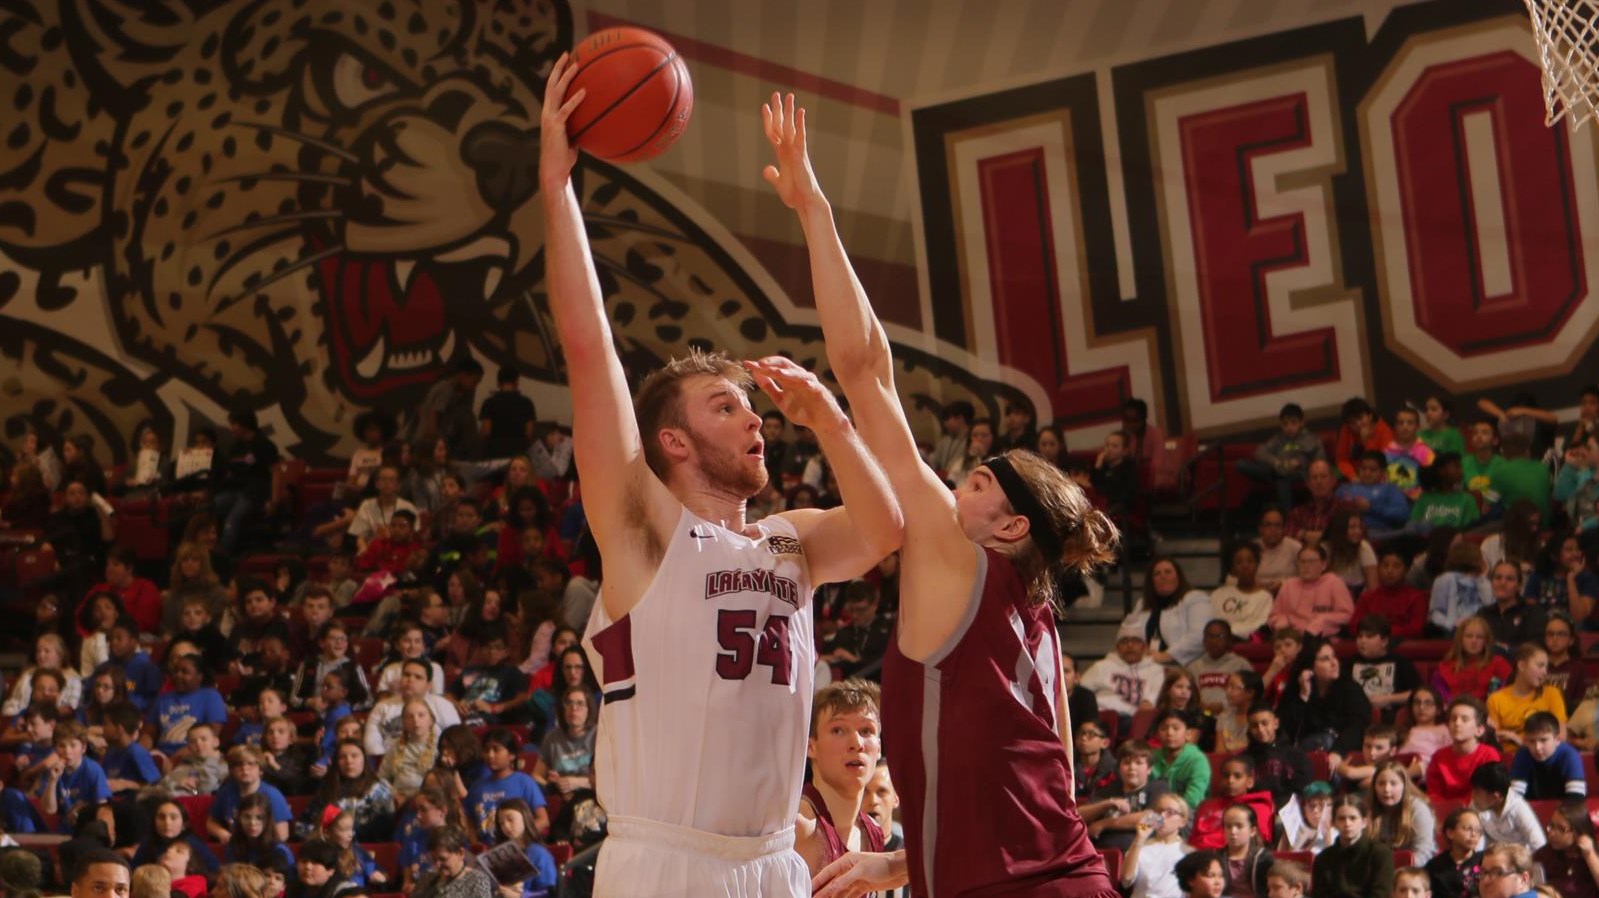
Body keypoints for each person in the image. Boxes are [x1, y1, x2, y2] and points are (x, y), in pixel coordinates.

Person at [543, 81, 904, 898]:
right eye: (725, 406)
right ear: (673, 440)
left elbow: (884, 529)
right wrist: (557, 186)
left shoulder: (790, 538)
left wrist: (831, 423)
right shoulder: (642, 529)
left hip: (775, 862)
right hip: (664, 861)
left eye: (751, 406)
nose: (755, 420)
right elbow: (586, 348)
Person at [757, 91, 1119, 898]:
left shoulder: (964, 557)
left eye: (980, 479)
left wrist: (813, 207)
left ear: (1010, 523)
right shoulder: (1041, 622)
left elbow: (864, 369)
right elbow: (1038, 787)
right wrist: (898, 863)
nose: (958, 482)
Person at [794, 680, 885, 879]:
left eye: (866, 731)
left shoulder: (873, 831)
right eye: (838, 730)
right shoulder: (797, 827)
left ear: (878, 748)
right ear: (810, 746)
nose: (856, 743)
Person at [1275, 637, 1371, 755]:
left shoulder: (1350, 688)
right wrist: (1303, 696)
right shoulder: (1297, 689)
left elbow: (1358, 727)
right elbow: (1284, 730)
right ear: (1310, 666)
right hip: (1305, 752)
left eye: (1334, 656)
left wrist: (1337, 752)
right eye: (1325, 659)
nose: (1334, 663)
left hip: (1343, 751)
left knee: (1326, 740)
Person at [1081, 742, 1172, 852]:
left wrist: (1105, 824)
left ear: (1149, 769)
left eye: (1138, 763)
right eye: (1127, 763)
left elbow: (1154, 819)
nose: (1132, 767)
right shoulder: (1110, 789)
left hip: (1138, 854)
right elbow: (1079, 816)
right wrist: (1107, 803)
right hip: (1098, 853)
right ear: (1119, 767)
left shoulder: (1157, 787)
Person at [1237, 403, 1324, 515]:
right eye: (1285, 424)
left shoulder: (1310, 439)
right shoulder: (1278, 438)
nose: (1289, 427)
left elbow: (1320, 461)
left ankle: (1287, 518)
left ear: (1302, 422)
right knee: (1241, 464)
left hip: (1298, 474)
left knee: (1283, 478)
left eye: (1293, 423)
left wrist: (1300, 462)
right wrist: (1277, 462)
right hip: (1275, 471)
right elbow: (1260, 452)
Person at [213, 410, 279, 555]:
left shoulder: (264, 445)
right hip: (234, 491)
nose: (231, 428)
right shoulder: (235, 447)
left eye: (234, 424)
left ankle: (222, 556)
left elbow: (276, 472)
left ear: (245, 425)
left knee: (233, 519)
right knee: (209, 508)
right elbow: (229, 472)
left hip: (255, 493)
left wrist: (274, 500)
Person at [1080, 621, 1164, 729]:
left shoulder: (1155, 670)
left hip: (1136, 720)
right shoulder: (1101, 666)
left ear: (1144, 647)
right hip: (1103, 717)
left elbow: (1151, 701)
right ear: (1118, 647)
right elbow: (1081, 691)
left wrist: (1148, 703)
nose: (1130, 645)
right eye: (1124, 641)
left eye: (1135, 641)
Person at [1487, 644, 1567, 751]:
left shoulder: (1552, 694)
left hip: (1543, 757)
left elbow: (1561, 737)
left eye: (1546, 667)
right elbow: (1494, 739)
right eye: (1540, 666)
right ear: (1522, 666)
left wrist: (1519, 740)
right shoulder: (1496, 699)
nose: (1545, 672)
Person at [1313, 796, 1394, 898]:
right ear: (1333, 823)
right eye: (1341, 819)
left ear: (1364, 822)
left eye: (1353, 818)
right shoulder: (1323, 858)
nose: (1347, 824)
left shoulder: (1380, 853)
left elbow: (1381, 894)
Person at [1268, 544, 1354, 637]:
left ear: (1323, 565)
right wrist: (1281, 621)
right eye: (1302, 561)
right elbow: (1274, 616)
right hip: (1291, 637)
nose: (1306, 566)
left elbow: (1347, 615)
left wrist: (1324, 620)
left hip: (1322, 637)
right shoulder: (1288, 585)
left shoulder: (1334, 582)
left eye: (1311, 561)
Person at [1426, 697, 1502, 801]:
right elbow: (1434, 795)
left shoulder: (1489, 755)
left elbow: (1487, 795)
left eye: (1464, 719)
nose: (1457, 723)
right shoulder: (1438, 756)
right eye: (1453, 719)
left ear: (1479, 730)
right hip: (1443, 812)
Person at [1120, 793, 1192, 898]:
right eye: (1158, 811)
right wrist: (1140, 837)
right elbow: (1126, 880)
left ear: (1183, 821)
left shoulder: (1188, 853)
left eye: (1170, 812)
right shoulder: (1140, 847)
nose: (1162, 816)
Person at [1349, 614, 1421, 717]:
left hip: (1389, 719)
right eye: (1360, 636)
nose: (1362, 641)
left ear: (1384, 641)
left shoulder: (1400, 662)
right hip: (1355, 718)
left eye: (1369, 636)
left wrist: (1388, 699)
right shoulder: (1350, 663)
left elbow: (1418, 693)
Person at [1369, 760, 1437, 865]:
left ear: (1404, 786)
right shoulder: (1367, 809)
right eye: (1381, 783)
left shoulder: (1418, 809)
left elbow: (1424, 851)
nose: (1387, 789)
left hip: (1411, 872)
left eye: (1393, 784)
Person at [1433, 616, 1511, 704]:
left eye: (1479, 637)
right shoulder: (1445, 666)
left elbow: (1510, 690)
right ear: (1460, 640)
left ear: (1486, 641)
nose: (1474, 641)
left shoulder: (1499, 664)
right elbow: (1439, 697)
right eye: (1469, 636)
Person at [1510, 711, 1586, 800]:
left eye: (1543, 740)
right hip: (1530, 811)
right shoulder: (1523, 755)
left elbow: (1576, 799)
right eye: (1531, 741)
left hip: (1564, 810)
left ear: (1557, 739)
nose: (1537, 747)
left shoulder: (1570, 755)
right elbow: (1514, 799)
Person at [1470, 762, 1545, 850]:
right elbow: (1477, 844)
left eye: (1477, 792)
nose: (1472, 796)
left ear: (1495, 796)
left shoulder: (1519, 808)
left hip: (1520, 857)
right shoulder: (1476, 805)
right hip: (1492, 857)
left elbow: (1539, 844)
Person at [493, 800, 558, 898]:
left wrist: (520, 896)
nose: (506, 826)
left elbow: (549, 892)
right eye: (501, 823)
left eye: (510, 819)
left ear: (525, 818)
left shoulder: (539, 853)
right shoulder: (502, 853)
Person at [1532, 804, 1599, 898]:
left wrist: (1589, 855)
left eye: (1561, 829)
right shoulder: (1545, 854)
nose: (1552, 833)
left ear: (1578, 832)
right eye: (1551, 826)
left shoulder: (1593, 855)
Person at [411, 825, 493, 898]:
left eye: (443, 859)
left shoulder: (477, 881)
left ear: (461, 853)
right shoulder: (427, 878)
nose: (437, 865)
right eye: (434, 859)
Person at [1189, 621, 1252, 716]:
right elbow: (1188, 695)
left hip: (1232, 715)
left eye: (1220, 636)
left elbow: (1250, 695)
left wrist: (1225, 706)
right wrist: (1199, 705)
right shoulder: (1193, 667)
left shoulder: (1241, 664)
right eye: (1210, 636)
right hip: (1201, 715)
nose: (1214, 641)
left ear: (1229, 640)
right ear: (1204, 640)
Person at [1150, 710, 1210, 808]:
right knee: (1139, 823)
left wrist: (1168, 811)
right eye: (1164, 728)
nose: (1169, 733)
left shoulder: (1198, 760)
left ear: (1188, 734)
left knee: (1146, 823)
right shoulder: (1153, 757)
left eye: (1176, 728)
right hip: (1156, 813)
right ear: (1157, 734)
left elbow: (1193, 800)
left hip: (1187, 813)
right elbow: (1143, 792)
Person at [1481, 564, 1546, 653]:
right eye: (1498, 578)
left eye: (1509, 579)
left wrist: (1507, 649)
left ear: (1519, 586)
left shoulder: (1532, 612)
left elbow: (1537, 645)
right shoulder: (1483, 614)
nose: (1502, 583)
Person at [1211, 546, 1273, 639]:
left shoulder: (1265, 597)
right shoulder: (1218, 594)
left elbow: (1260, 625)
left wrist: (1231, 632)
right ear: (1232, 569)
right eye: (1239, 563)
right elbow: (1213, 621)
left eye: (1250, 561)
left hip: (1248, 643)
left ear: (1257, 565)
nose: (1245, 566)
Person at [479, 367, 537, 460]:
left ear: (498, 383)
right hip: (518, 454)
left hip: (494, 453)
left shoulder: (489, 402)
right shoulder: (527, 403)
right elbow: (529, 433)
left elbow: (486, 431)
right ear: (517, 382)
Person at [1426, 807, 1486, 898]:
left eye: (1478, 830)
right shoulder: (1434, 866)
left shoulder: (1485, 860)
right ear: (1450, 833)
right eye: (1467, 829)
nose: (1473, 834)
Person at [1219, 804, 1275, 898]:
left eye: (1239, 826)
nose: (1233, 831)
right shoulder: (1217, 857)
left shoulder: (1264, 859)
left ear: (1252, 831)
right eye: (1228, 826)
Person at [1255, 508, 1301, 594]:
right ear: (1260, 528)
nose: (1273, 529)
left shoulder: (1295, 547)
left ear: (1284, 528)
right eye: (1268, 525)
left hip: (1288, 594)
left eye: (1277, 525)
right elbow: (1232, 579)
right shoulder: (1252, 548)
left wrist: (1283, 584)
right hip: (1256, 596)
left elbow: (1307, 577)